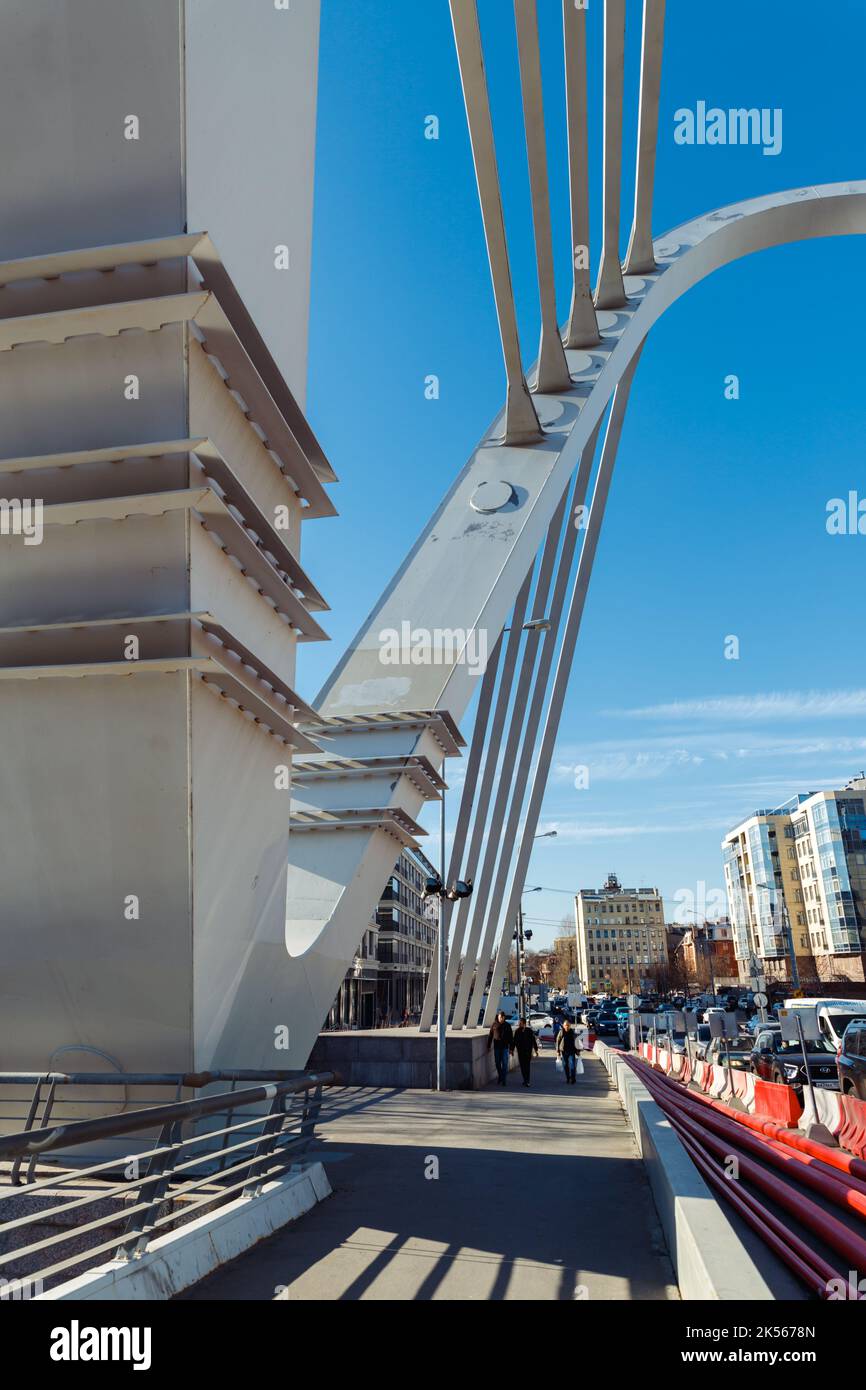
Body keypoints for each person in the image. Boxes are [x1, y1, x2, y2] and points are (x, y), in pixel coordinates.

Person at [487, 1011, 514, 1086]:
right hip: (497, 1048)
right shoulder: (494, 1024)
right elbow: (490, 1035)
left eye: (502, 1017)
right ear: (498, 1017)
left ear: (504, 1017)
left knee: (505, 1064)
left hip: (505, 1047)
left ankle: (504, 1080)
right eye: (499, 1017)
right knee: (497, 1063)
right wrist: (488, 1046)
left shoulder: (507, 1025)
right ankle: (500, 1076)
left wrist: (511, 1049)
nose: (501, 1018)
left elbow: (511, 1038)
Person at [512, 1017, 539, 1087]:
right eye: (519, 1023)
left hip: (528, 1052)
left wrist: (536, 1050)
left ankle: (527, 1081)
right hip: (520, 1052)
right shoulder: (517, 1031)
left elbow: (533, 1041)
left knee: (527, 1066)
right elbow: (514, 1041)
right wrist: (511, 1049)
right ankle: (525, 1079)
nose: (519, 1025)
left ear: (524, 1024)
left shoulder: (529, 1031)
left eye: (520, 1023)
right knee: (522, 1067)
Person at [556, 1018, 581, 1084]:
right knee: (565, 1065)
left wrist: (578, 1051)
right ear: (563, 1026)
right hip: (564, 1051)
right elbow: (557, 1041)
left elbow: (577, 1042)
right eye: (565, 1025)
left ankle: (573, 1078)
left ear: (570, 1026)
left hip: (572, 1051)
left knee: (572, 1065)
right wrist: (557, 1051)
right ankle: (568, 1077)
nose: (567, 1026)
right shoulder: (561, 1032)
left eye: (568, 1025)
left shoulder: (572, 1032)